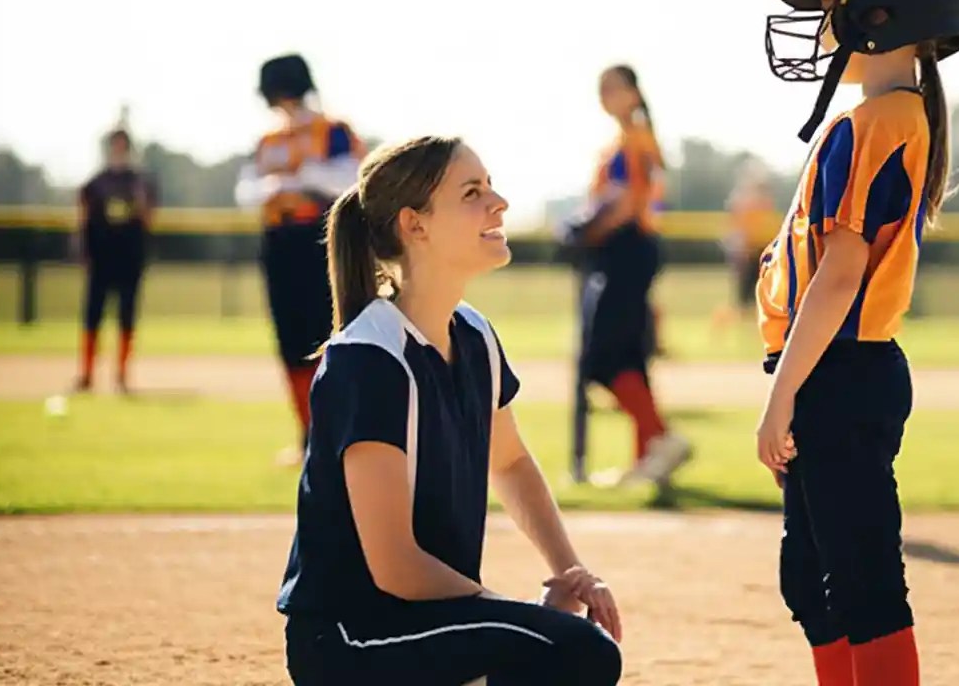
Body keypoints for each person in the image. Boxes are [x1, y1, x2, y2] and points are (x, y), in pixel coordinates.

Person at [276, 136, 623, 686]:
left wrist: (570, 573)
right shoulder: (369, 359)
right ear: (416, 225)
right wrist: (518, 612)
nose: (499, 202)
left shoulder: (475, 335)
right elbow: (395, 567)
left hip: (426, 619)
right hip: (351, 639)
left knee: (568, 643)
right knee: (576, 652)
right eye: (472, 192)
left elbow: (509, 464)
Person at [755, 0, 959, 684]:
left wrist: (780, 395)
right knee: (814, 581)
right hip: (840, 373)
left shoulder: (877, 124)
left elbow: (839, 277)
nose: (817, 25)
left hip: (839, 373)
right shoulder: (891, 117)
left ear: (880, 14)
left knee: (860, 582)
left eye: (827, 7)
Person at [563, 64, 691, 487]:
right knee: (631, 355)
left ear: (634, 93)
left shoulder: (632, 142)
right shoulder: (632, 139)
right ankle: (648, 457)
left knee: (600, 358)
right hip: (632, 250)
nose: (607, 97)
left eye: (615, 89)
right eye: (603, 90)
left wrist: (587, 232)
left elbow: (624, 203)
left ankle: (662, 437)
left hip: (626, 249)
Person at [235, 53, 366, 465]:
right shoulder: (268, 140)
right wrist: (281, 184)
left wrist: (305, 178)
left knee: (326, 337)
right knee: (289, 342)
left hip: (320, 239)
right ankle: (308, 435)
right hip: (278, 240)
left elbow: (352, 177)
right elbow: (246, 192)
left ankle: (337, 432)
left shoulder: (334, 130)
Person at [73, 127, 158, 394]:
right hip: (101, 258)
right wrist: (83, 251)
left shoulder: (140, 182)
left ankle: (121, 375)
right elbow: (83, 217)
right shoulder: (95, 183)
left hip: (129, 258)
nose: (119, 150)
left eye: (123, 146)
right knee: (92, 317)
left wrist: (141, 200)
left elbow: (149, 218)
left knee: (126, 317)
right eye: (115, 145)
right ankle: (86, 374)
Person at [715, 158, 780, 329]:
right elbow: (735, 228)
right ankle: (724, 322)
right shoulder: (742, 199)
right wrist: (738, 248)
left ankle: (749, 324)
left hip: (758, 249)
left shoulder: (762, 199)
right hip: (746, 250)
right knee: (744, 299)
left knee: (759, 294)